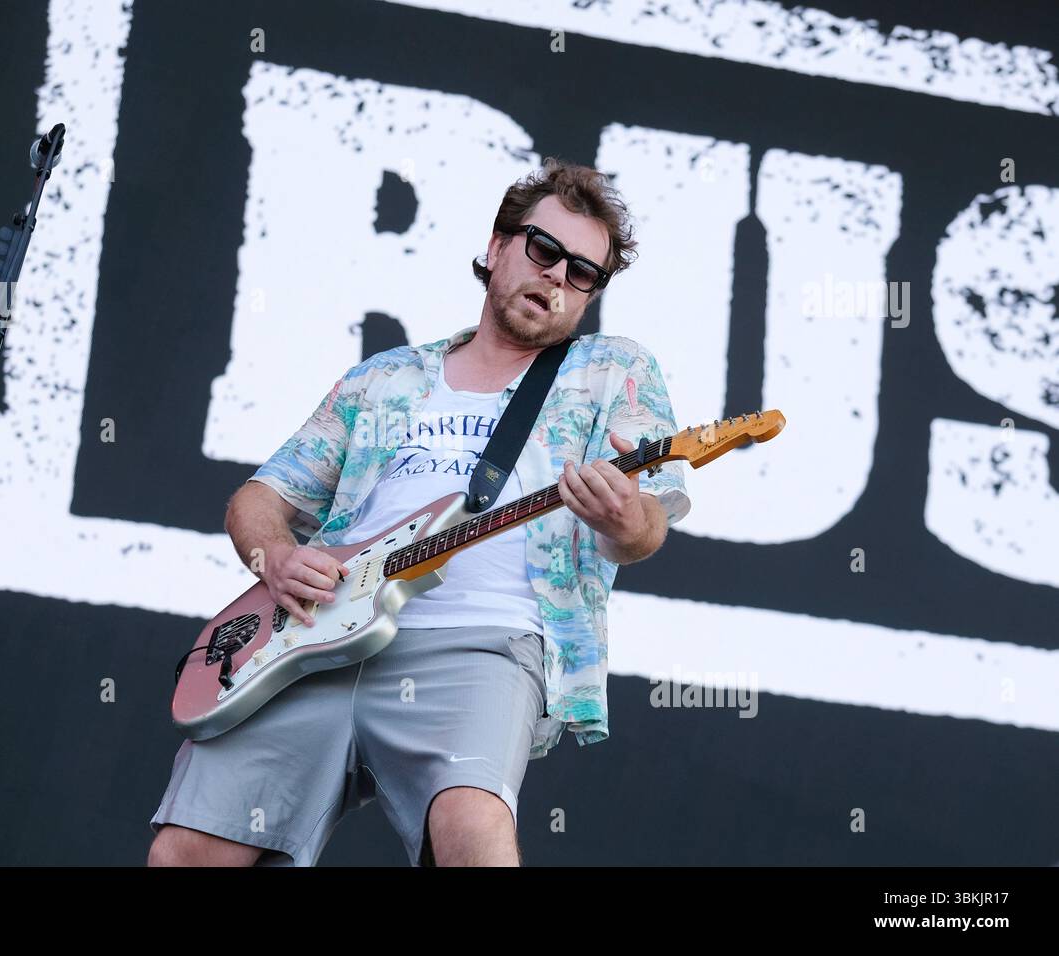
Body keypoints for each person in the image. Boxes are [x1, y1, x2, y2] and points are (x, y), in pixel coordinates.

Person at [148, 157, 691, 867]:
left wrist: (625, 522)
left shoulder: (612, 370)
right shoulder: (384, 377)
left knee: (474, 837)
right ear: (497, 248)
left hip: (483, 642)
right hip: (314, 639)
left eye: (583, 272)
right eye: (544, 250)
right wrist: (275, 558)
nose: (558, 276)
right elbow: (259, 499)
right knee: (184, 855)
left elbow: (648, 522)